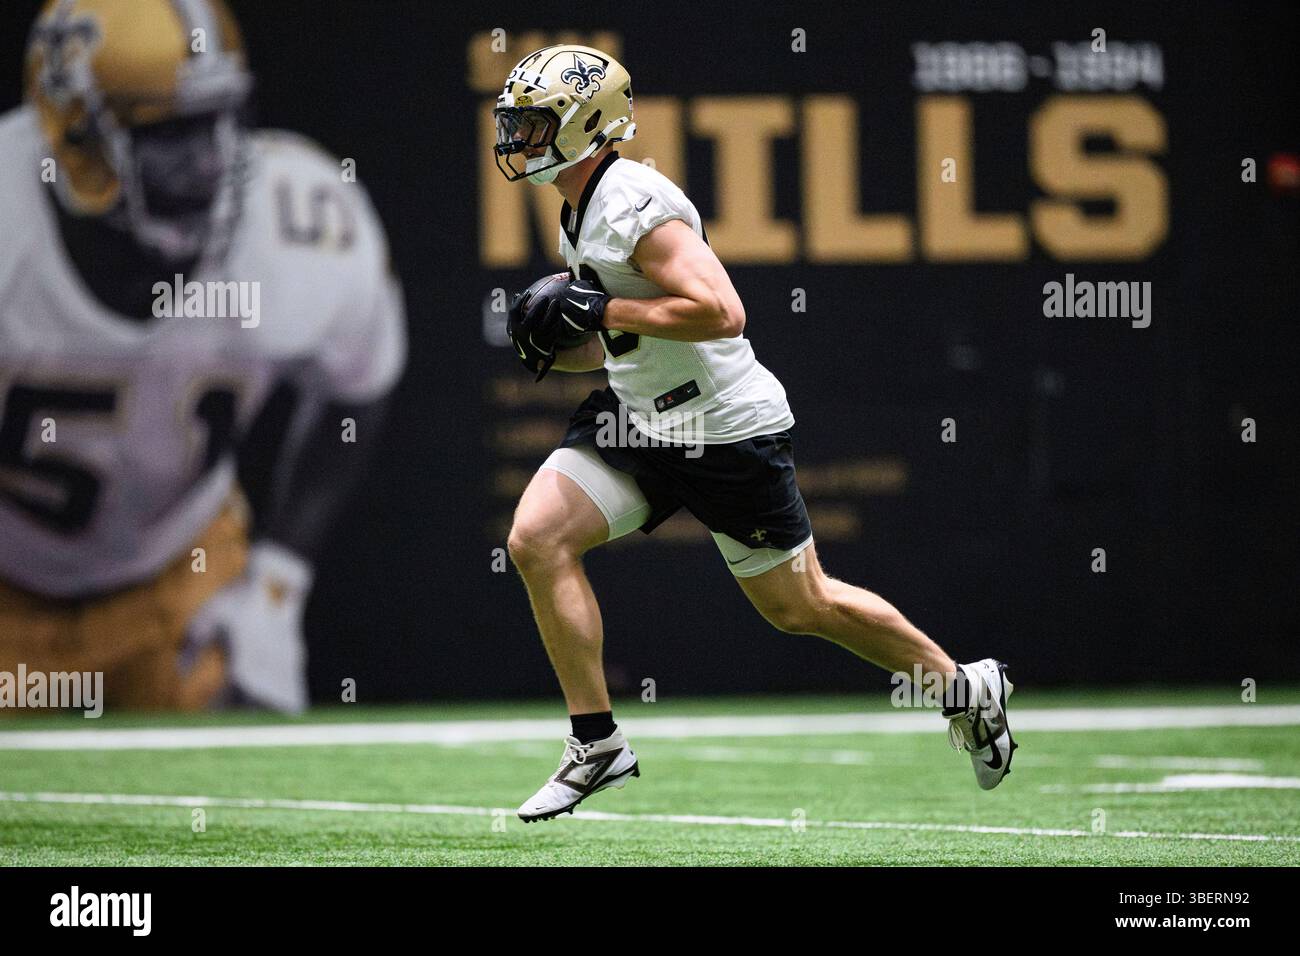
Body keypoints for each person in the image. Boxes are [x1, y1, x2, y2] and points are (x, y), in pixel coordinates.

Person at [493, 45, 1016, 822]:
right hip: (641, 412)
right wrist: (559, 342)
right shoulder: (579, 204)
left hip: (720, 426)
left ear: (587, 126)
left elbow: (721, 312)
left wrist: (599, 311)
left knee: (800, 606)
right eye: (516, 124)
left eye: (535, 125)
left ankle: (960, 685)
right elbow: (622, 339)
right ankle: (596, 743)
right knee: (536, 539)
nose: (519, 140)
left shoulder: (630, 200)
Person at [0, 0, 405, 712]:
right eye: (173, 132)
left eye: (222, 119)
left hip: (178, 577)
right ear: (78, 137)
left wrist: (276, 589)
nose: (213, 161)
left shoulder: (296, 223)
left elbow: (359, 386)